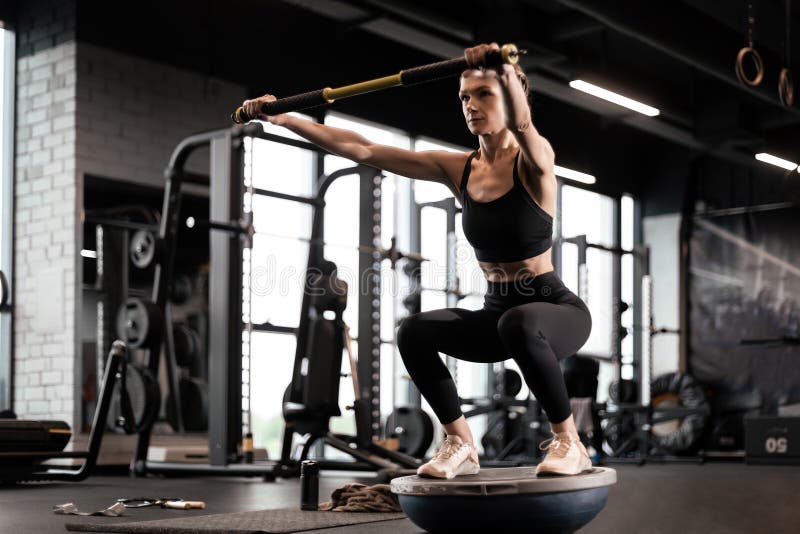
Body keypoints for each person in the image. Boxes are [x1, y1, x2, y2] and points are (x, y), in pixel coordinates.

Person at [241, 43, 592, 479]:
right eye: (465, 97)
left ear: (508, 94)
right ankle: (461, 442)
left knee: (517, 323)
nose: (471, 105)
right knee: (413, 332)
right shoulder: (459, 169)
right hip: (499, 313)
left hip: (553, 310)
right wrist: (285, 118)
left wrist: (503, 71)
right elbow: (363, 149)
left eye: (484, 94)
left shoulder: (535, 161)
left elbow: (523, 124)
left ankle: (569, 441)